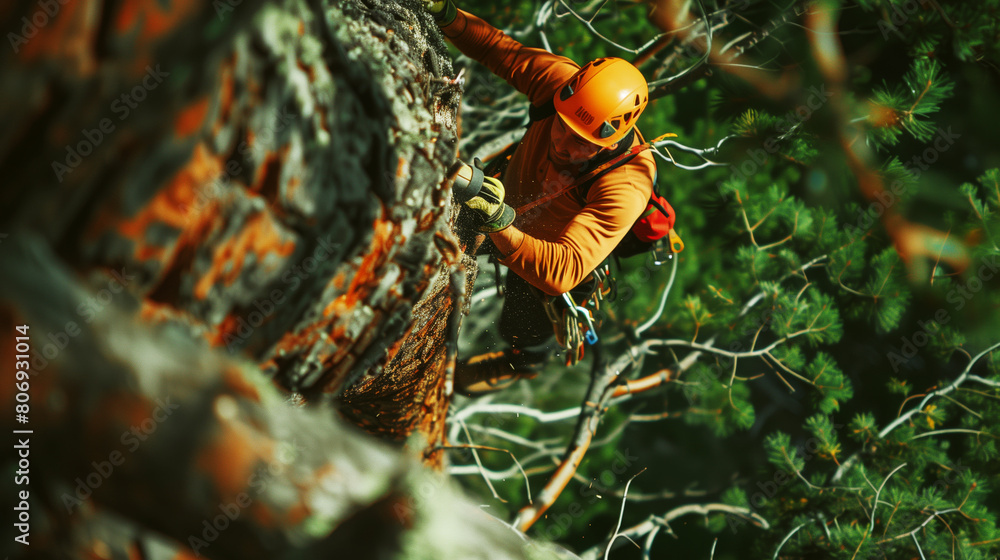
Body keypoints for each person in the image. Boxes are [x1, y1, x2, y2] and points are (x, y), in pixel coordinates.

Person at [424, 1, 657, 395]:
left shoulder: (628, 181)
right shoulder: (563, 89)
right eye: (562, 126)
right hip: (503, 201)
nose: (562, 142)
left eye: (581, 142)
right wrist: (447, 14)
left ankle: (522, 362)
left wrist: (500, 221)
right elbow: (497, 48)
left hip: (546, 250)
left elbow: (562, 271)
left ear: (611, 137)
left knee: (525, 321)